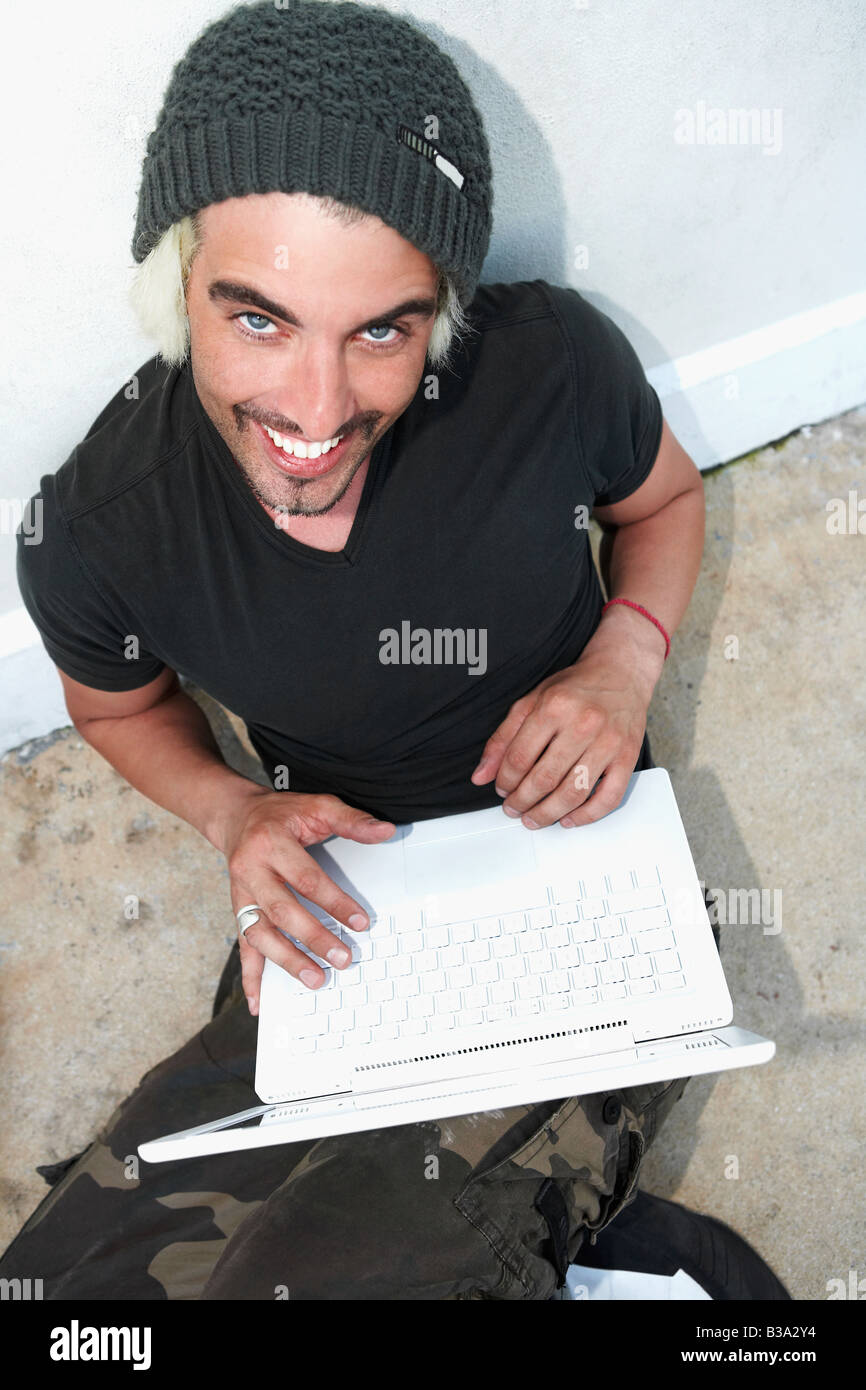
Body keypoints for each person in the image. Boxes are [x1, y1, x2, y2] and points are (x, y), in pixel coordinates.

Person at [3, 0, 712, 1299]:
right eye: (257, 319)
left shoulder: (550, 368)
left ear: (441, 303)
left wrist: (622, 655)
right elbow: (115, 707)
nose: (318, 415)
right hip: (346, 902)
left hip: (575, 870)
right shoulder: (99, 525)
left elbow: (661, 500)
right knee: (68, 1291)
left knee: (340, 1275)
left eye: (382, 328)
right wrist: (234, 812)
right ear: (174, 286)